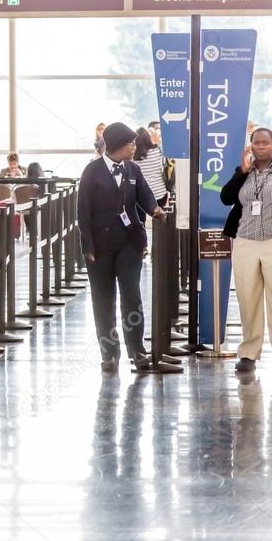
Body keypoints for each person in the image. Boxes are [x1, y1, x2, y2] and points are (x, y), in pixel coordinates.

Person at [77, 122, 163, 373]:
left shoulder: (133, 169)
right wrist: (87, 246)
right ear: (116, 146)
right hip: (100, 246)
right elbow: (83, 212)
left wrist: (155, 210)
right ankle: (109, 353)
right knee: (103, 300)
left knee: (132, 295)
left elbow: (145, 196)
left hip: (129, 243)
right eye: (131, 143)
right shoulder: (91, 171)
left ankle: (137, 350)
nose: (135, 147)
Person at [220, 127, 272, 374]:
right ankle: (249, 353)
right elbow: (225, 198)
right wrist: (241, 171)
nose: (261, 147)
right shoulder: (243, 172)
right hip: (245, 242)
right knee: (247, 299)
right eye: (256, 143)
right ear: (250, 146)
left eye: (265, 143)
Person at [133, 127, 169, 209]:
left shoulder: (133, 157)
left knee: (141, 218)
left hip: (142, 195)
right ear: (148, 139)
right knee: (160, 216)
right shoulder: (157, 151)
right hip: (160, 192)